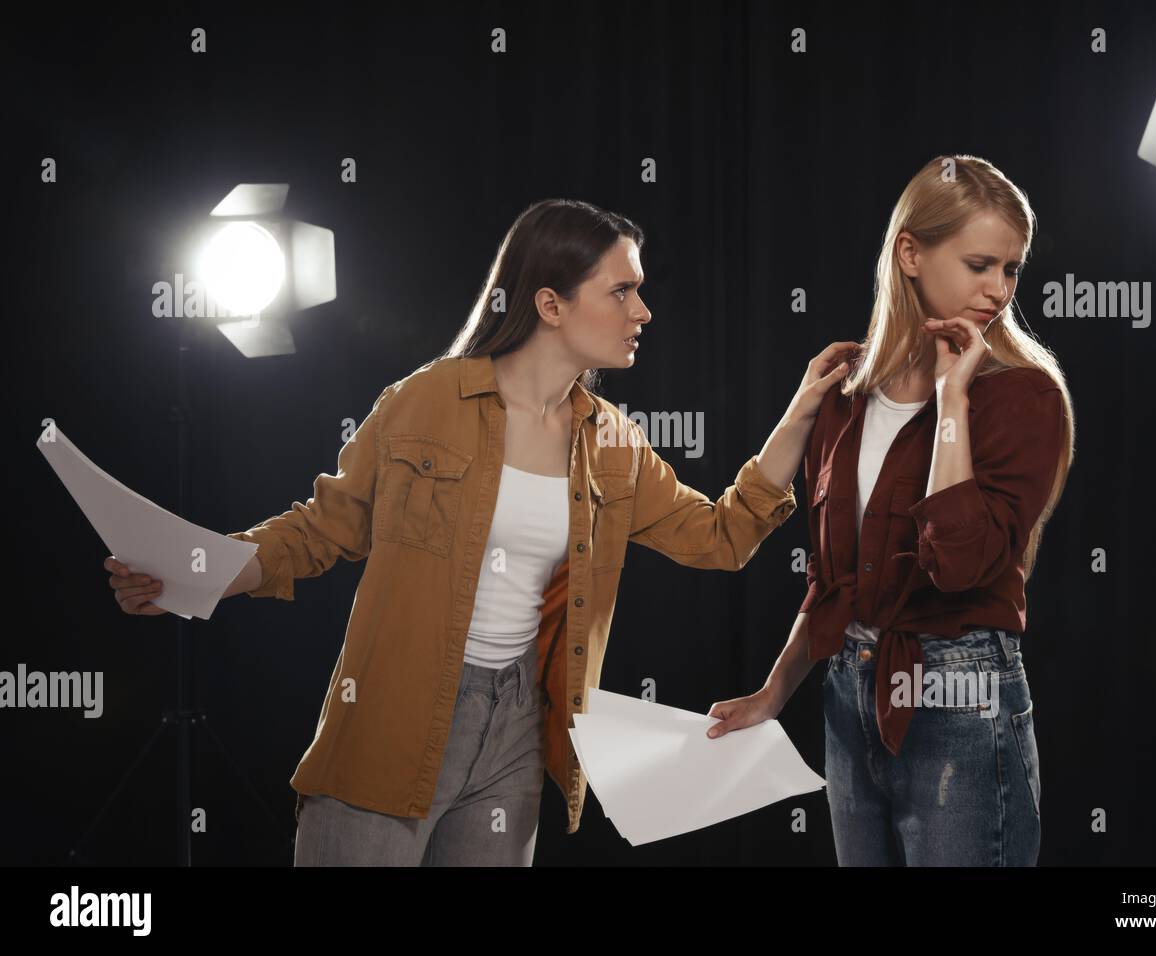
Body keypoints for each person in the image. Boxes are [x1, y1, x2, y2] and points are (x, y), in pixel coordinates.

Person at [105, 198, 857, 866]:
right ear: (551, 304)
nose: (643, 311)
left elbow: (720, 538)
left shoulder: (614, 443)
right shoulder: (425, 401)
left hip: (518, 729)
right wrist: (191, 571)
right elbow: (320, 531)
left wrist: (797, 416)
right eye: (622, 290)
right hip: (394, 718)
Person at [706, 155, 1076, 866]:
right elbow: (831, 582)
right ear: (910, 252)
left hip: (961, 697)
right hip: (849, 694)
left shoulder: (1023, 396)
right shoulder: (847, 391)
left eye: (1012, 270)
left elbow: (961, 562)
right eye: (979, 265)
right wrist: (772, 694)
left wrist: (952, 405)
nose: (999, 291)